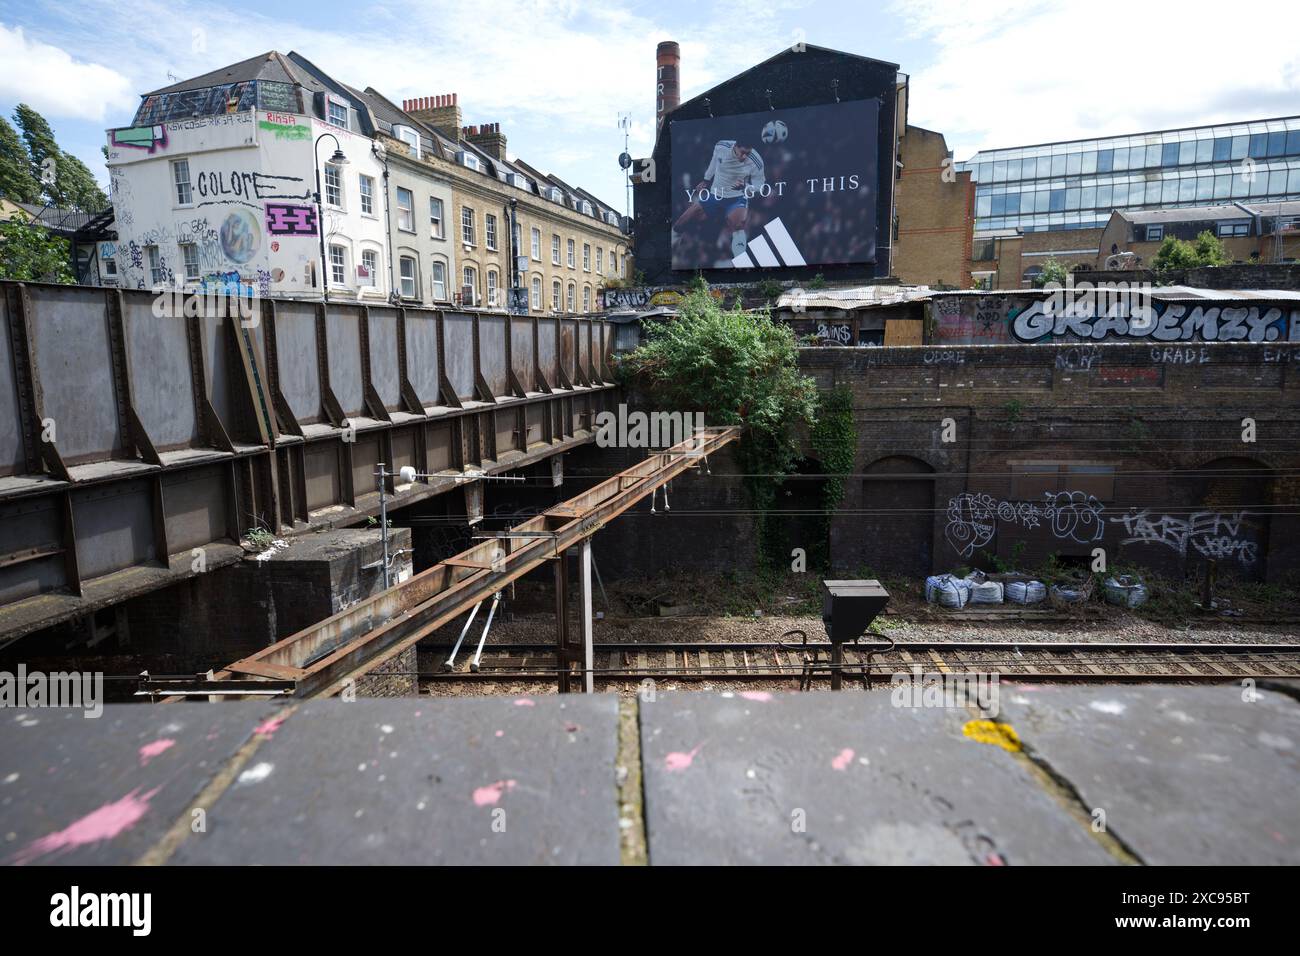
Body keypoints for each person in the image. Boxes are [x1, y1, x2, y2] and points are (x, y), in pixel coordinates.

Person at [672, 139, 765, 263]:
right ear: (735, 146)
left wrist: (745, 186)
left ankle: (742, 264)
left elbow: (760, 186)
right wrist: (706, 179)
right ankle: (670, 252)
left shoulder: (756, 161)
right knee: (681, 222)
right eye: (742, 152)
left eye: (748, 153)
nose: (745, 156)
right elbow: (714, 162)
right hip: (715, 195)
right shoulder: (721, 147)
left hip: (736, 198)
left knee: (738, 227)